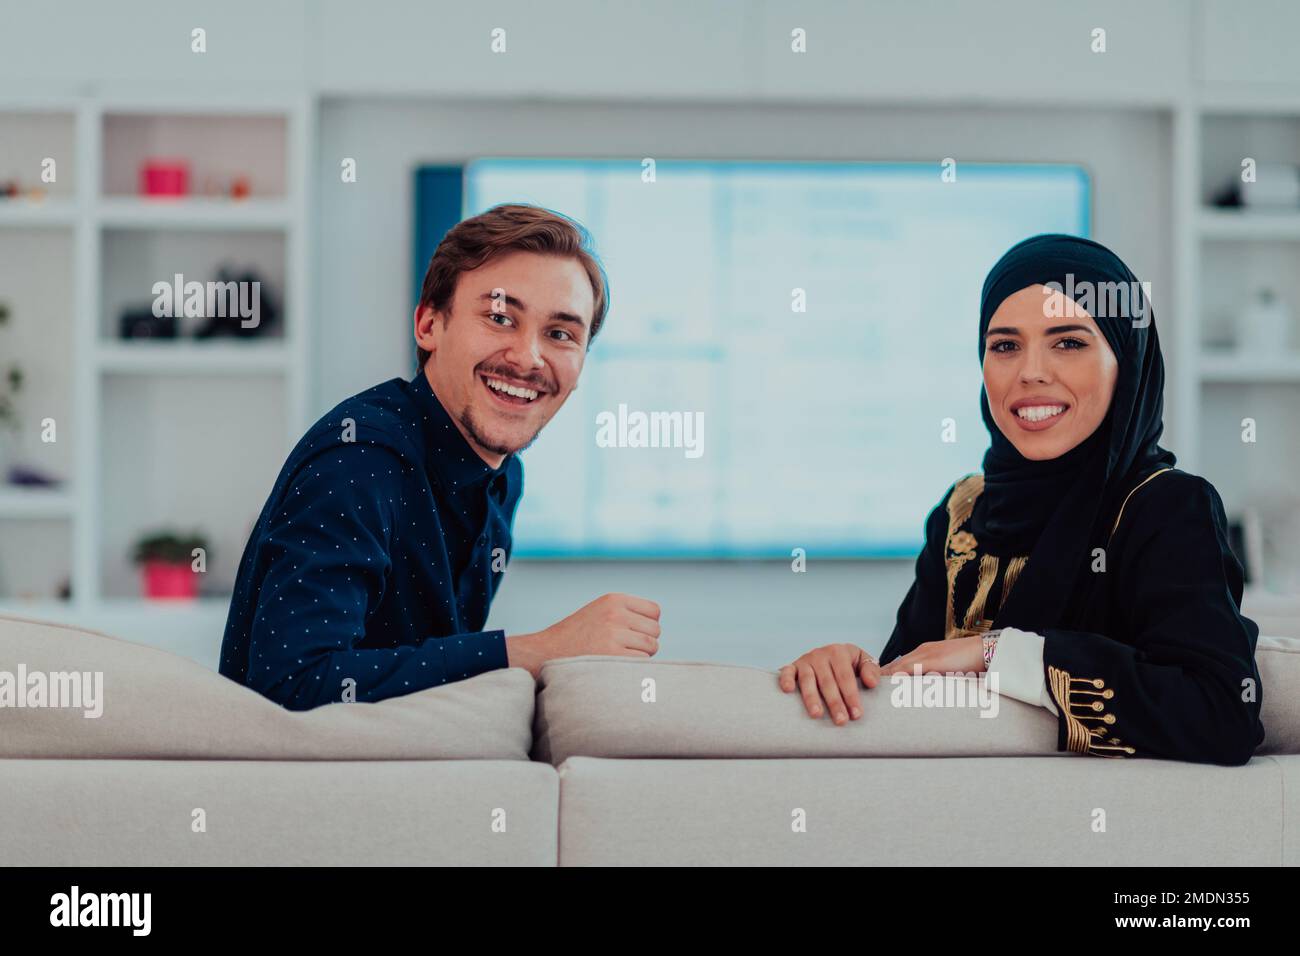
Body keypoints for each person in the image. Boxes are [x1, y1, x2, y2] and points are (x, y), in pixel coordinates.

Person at [778, 234, 1264, 765]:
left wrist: (995, 655)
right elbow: (909, 685)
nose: (1030, 372)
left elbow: (1222, 714)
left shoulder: (1166, 508)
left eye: (1069, 342)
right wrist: (846, 670)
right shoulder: (963, 509)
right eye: (1005, 345)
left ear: (1126, 359)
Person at [220, 204, 661, 710]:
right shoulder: (359, 460)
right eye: (500, 317)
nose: (528, 357)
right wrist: (538, 651)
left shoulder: (502, 475)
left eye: (560, 334)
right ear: (430, 326)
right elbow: (291, 684)